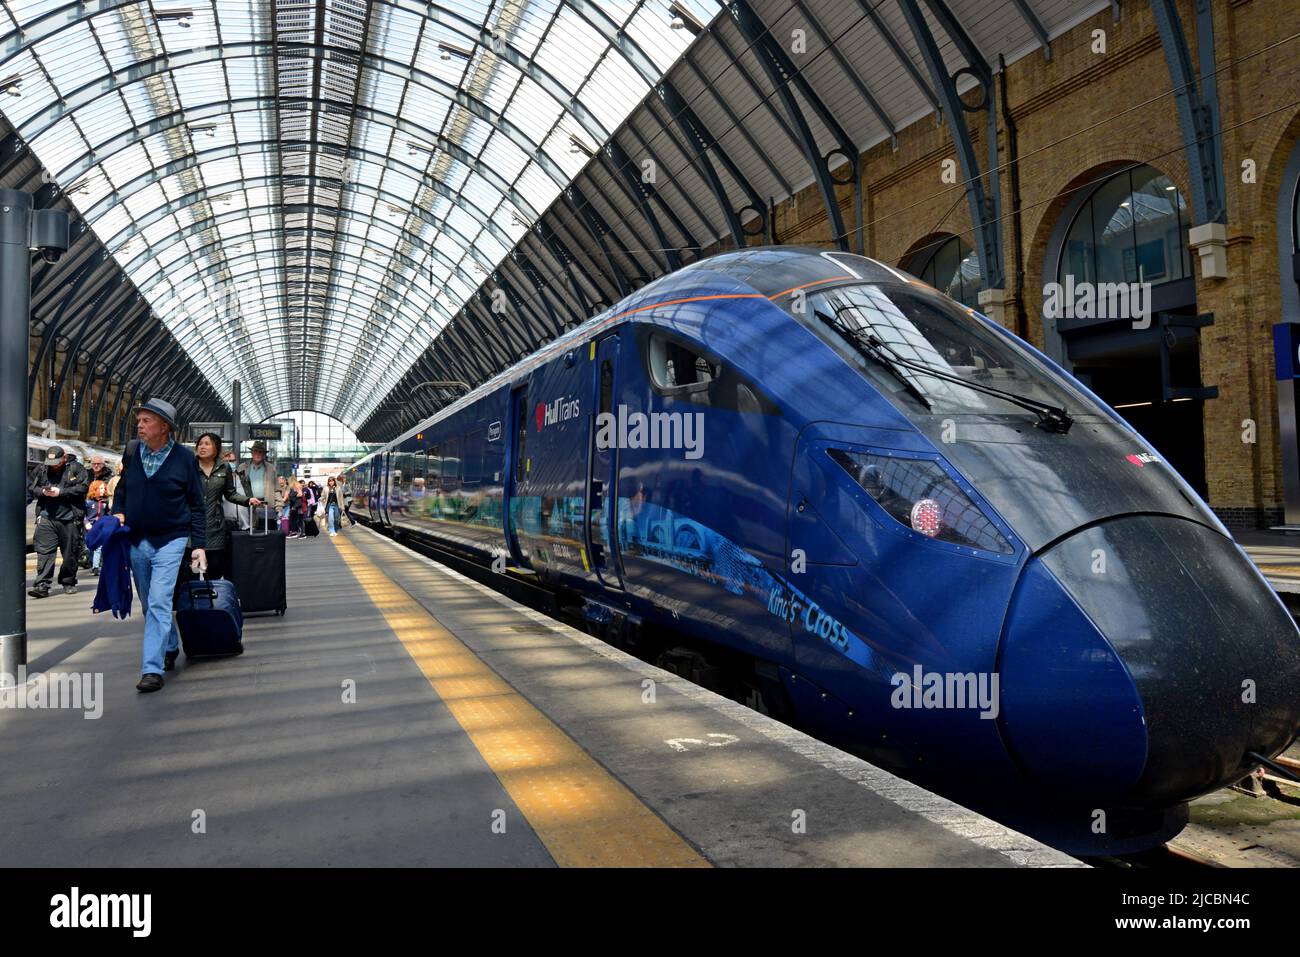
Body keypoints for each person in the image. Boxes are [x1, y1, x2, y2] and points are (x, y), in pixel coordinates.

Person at [111, 398, 207, 693]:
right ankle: (171, 644)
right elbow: (123, 491)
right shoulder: (131, 452)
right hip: (138, 538)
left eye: (146, 421)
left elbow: (196, 504)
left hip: (172, 539)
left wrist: (199, 545)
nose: (139, 425)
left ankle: (151, 669)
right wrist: (118, 511)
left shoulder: (183, 459)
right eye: (139, 420)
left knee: (159, 600)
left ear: (164, 427)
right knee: (147, 601)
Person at [188, 432, 259, 581]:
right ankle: (192, 603)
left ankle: (213, 601)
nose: (202, 447)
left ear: (216, 448)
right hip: (192, 525)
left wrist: (247, 500)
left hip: (216, 527)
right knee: (191, 571)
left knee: (215, 568)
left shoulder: (224, 468)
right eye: (200, 444)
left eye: (207, 444)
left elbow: (230, 493)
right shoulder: (189, 466)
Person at [28, 445, 90, 598]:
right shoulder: (42, 469)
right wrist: (42, 492)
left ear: (64, 458)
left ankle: (68, 581)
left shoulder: (77, 468)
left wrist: (61, 492)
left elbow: (83, 488)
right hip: (47, 517)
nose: (53, 466)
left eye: (57, 462)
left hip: (70, 518)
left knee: (70, 552)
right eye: (51, 463)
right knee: (44, 552)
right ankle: (42, 584)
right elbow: (31, 486)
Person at [235, 441, 277, 531]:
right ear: (252, 453)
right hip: (247, 505)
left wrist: (279, 507)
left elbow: (276, 489)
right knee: (249, 533)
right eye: (255, 451)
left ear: (264, 454)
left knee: (266, 533)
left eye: (260, 452)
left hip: (266, 505)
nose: (257, 454)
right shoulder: (242, 467)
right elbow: (236, 488)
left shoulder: (271, 468)